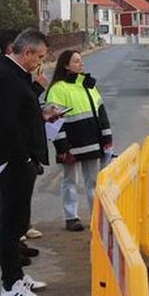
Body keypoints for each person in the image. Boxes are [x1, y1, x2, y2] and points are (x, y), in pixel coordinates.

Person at [0, 28, 51, 296]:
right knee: (10, 224)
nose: (40, 63)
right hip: (12, 161)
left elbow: (22, 112)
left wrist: (42, 114)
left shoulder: (16, 74)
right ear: (27, 52)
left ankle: (18, 275)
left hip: (20, 158)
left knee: (18, 221)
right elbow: (4, 123)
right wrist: (22, 157)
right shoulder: (4, 76)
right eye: (40, 57)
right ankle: (10, 284)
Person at [45, 50, 113, 231]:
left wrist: (107, 139)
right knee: (70, 181)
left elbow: (101, 114)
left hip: (92, 142)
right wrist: (62, 148)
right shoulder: (57, 89)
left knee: (93, 183)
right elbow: (55, 122)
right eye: (76, 61)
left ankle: (96, 217)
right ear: (65, 65)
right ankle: (71, 217)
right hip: (71, 145)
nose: (80, 64)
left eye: (81, 60)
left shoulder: (89, 86)